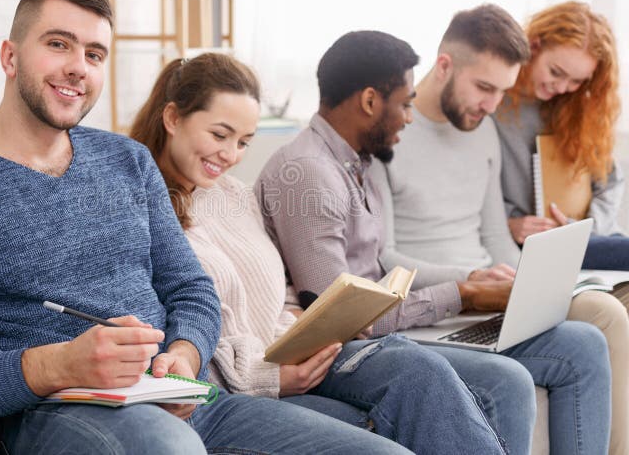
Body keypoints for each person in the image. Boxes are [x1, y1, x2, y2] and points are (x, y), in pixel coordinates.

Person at [0, 0, 411, 455]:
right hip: (55, 410)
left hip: (178, 399)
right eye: (58, 44)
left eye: (95, 54)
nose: (78, 66)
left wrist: (185, 356)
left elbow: (192, 289)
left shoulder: (128, 162)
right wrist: (59, 364)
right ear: (10, 57)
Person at [255, 26, 612, 454]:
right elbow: (339, 320)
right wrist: (462, 294)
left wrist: (477, 284)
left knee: (582, 343)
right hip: (341, 349)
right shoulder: (310, 173)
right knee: (506, 381)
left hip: (377, 331)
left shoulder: (356, 162)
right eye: (404, 104)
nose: (409, 117)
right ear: (369, 101)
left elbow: (377, 269)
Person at [129, 52, 508, 454]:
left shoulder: (234, 195)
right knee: (401, 402)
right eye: (220, 135)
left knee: (427, 370)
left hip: (296, 356)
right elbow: (185, 326)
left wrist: (303, 324)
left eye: (243, 142)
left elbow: (277, 290)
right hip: (249, 381)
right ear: (173, 119)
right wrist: (270, 378)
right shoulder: (142, 209)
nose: (231, 155)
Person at [368, 4, 625, 454]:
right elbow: (382, 256)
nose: (492, 105)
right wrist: (470, 282)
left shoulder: (481, 129)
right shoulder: (387, 133)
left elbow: (493, 238)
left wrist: (530, 282)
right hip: (436, 309)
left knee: (587, 340)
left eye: (502, 91)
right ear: (444, 66)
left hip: (490, 301)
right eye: (485, 88)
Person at [494, 1, 629, 275]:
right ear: (534, 47)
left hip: (589, 237)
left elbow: (609, 184)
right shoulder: (492, 104)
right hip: (528, 241)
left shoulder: (579, 109)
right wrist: (508, 223)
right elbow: (474, 193)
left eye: (577, 81)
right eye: (556, 72)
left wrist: (583, 229)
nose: (563, 87)